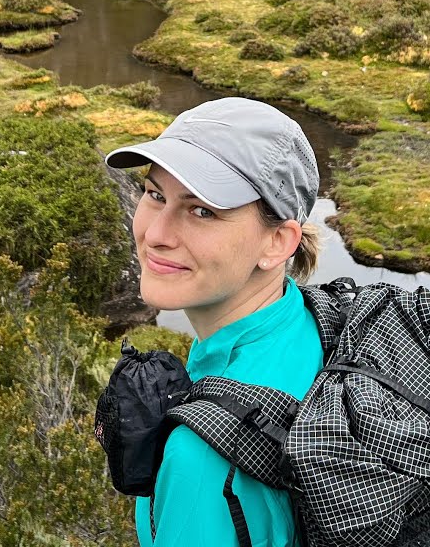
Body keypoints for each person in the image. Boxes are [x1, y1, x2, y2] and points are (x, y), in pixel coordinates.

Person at [105, 96, 325, 547]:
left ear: (278, 242)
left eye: (202, 210)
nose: (156, 234)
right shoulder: (311, 320)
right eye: (154, 194)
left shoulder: (203, 463)